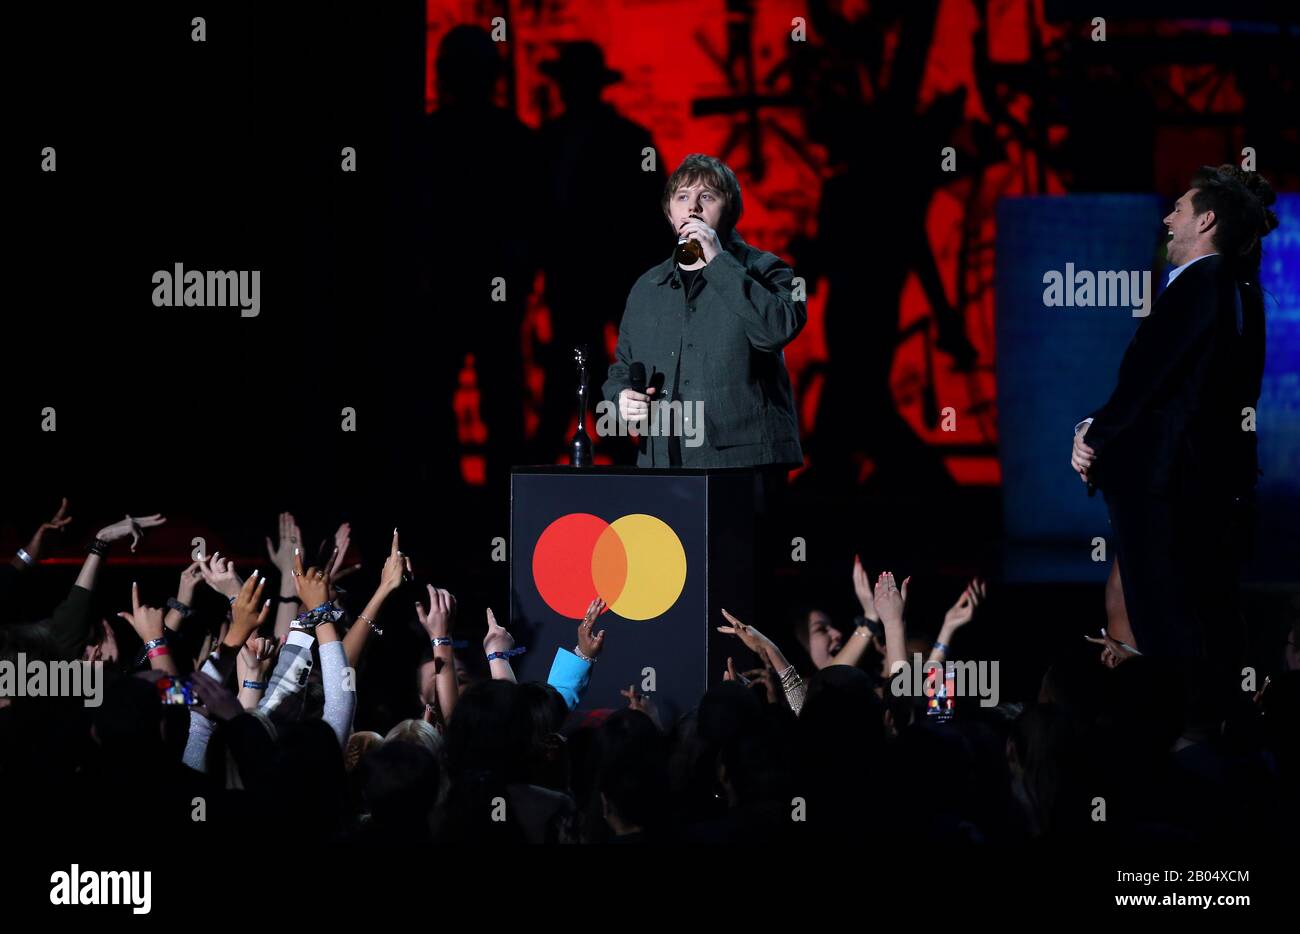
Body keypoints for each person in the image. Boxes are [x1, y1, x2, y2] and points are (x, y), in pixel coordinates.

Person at [1072, 165, 1276, 662]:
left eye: (1178, 209)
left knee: (1170, 630)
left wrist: (1093, 435)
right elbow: (1175, 389)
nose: (1166, 218)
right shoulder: (1234, 289)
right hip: (1197, 489)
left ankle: (1181, 731)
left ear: (1206, 221)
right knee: (1184, 618)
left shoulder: (1203, 285)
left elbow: (1151, 382)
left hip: (1170, 491)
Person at [602, 154, 805, 475]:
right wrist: (621, 400)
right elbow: (623, 370)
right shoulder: (647, 286)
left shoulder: (770, 271)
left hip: (744, 462)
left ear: (730, 211)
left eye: (707, 196)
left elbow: (776, 331)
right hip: (663, 460)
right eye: (682, 197)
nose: (693, 207)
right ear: (670, 214)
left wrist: (718, 261)